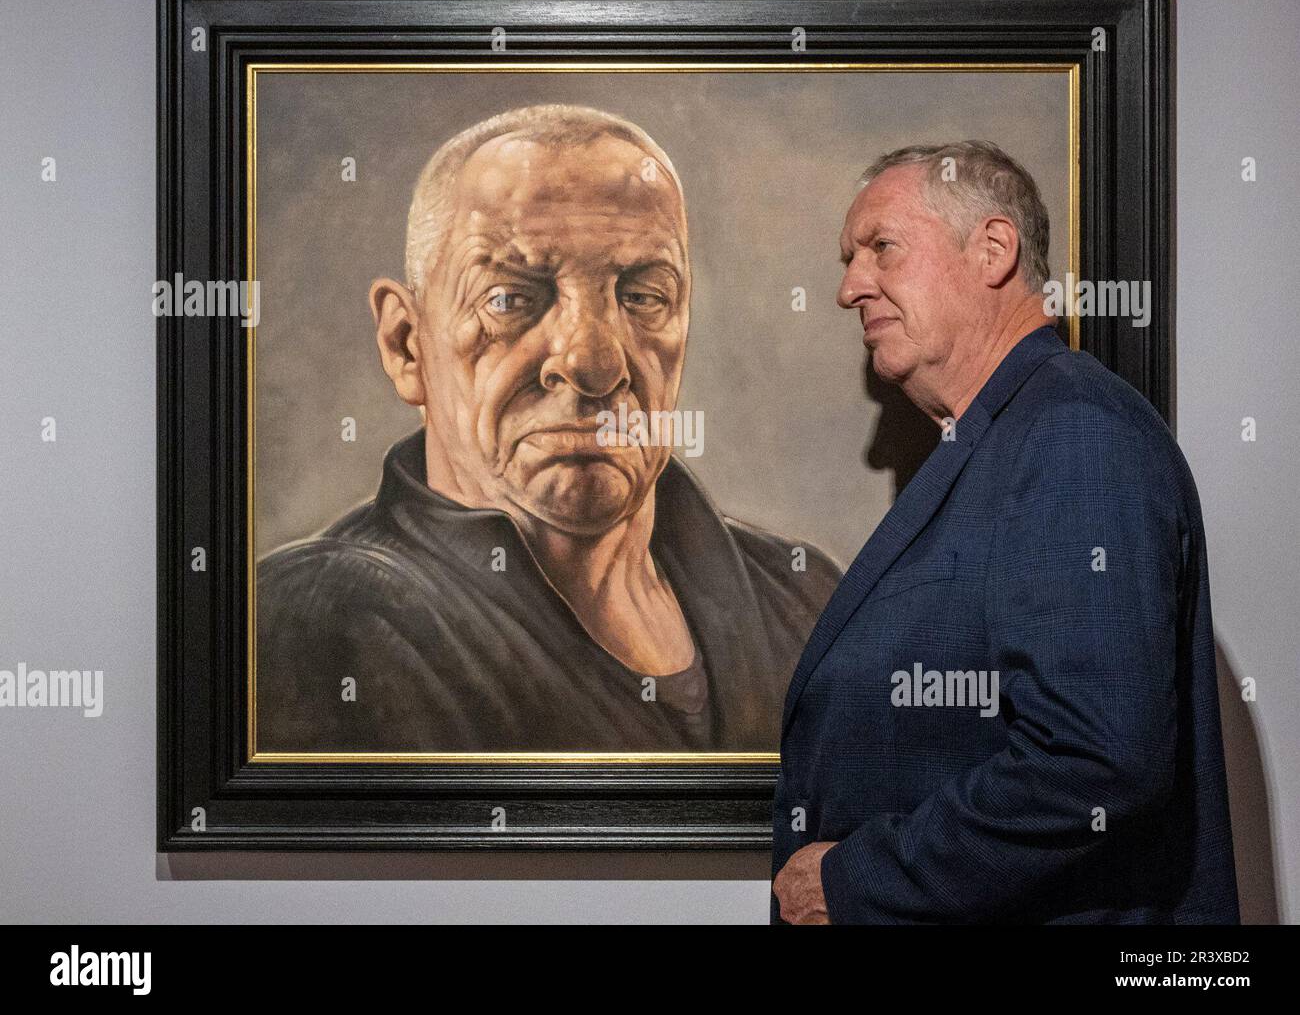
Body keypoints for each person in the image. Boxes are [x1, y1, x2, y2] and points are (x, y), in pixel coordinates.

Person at [257, 104, 840, 753]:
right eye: (510, 298)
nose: (594, 363)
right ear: (406, 345)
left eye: (643, 295)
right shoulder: (315, 627)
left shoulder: (801, 597)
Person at [772, 140, 1239, 924]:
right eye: (851, 258)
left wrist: (856, 881)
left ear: (993, 249)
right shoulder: (1004, 437)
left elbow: (1095, 763)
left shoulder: (1073, 436)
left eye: (880, 246)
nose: (850, 286)